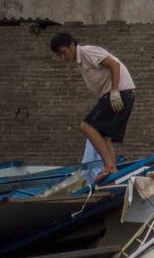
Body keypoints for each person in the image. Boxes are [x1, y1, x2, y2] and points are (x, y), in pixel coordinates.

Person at [50, 32, 136, 182]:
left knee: (86, 126)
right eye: (59, 55)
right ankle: (113, 170)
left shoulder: (87, 52)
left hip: (119, 92)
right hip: (122, 93)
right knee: (105, 136)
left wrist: (115, 91)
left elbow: (114, 65)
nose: (63, 58)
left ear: (72, 45)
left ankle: (108, 167)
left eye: (63, 52)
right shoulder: (81, 61)